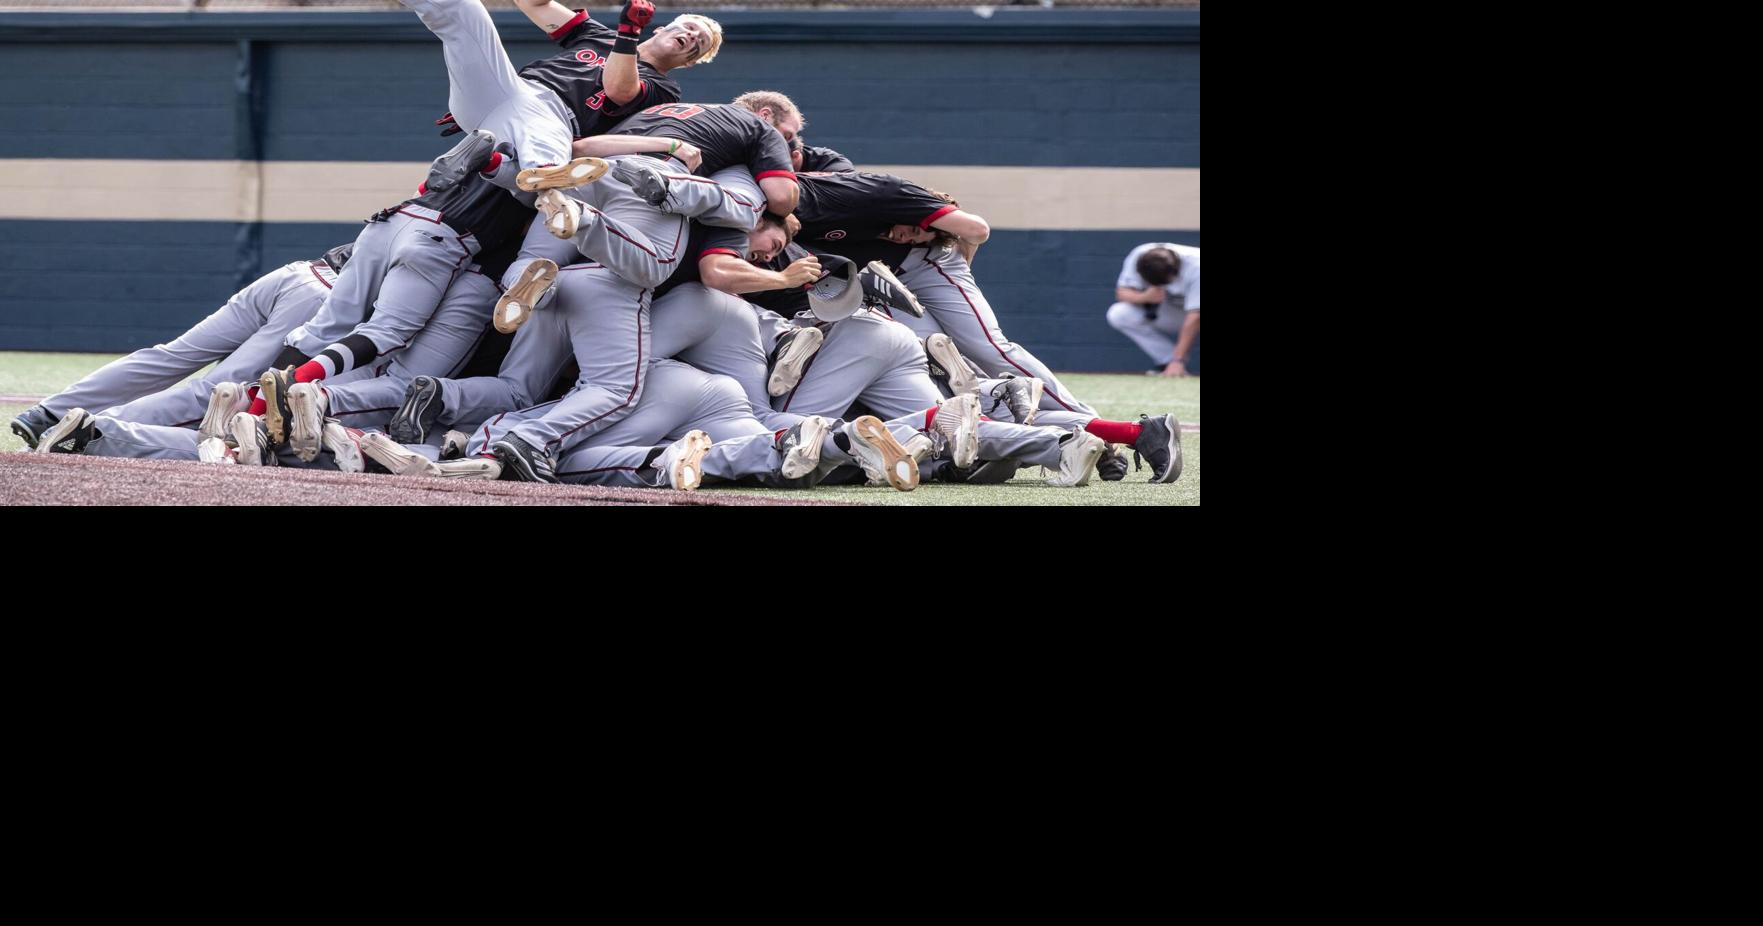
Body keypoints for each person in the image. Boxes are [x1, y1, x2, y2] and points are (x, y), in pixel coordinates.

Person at [1106, 242, 1200, 377]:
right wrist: (1144, 297)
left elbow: (1195, 317)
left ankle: (1175, 363)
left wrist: (1178, 359)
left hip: (1195, 314)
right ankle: (1167, 363)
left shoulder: (1197, 266)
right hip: (1178, 312)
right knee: (1119, 314)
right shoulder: (1139, 255)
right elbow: (1121, 293)